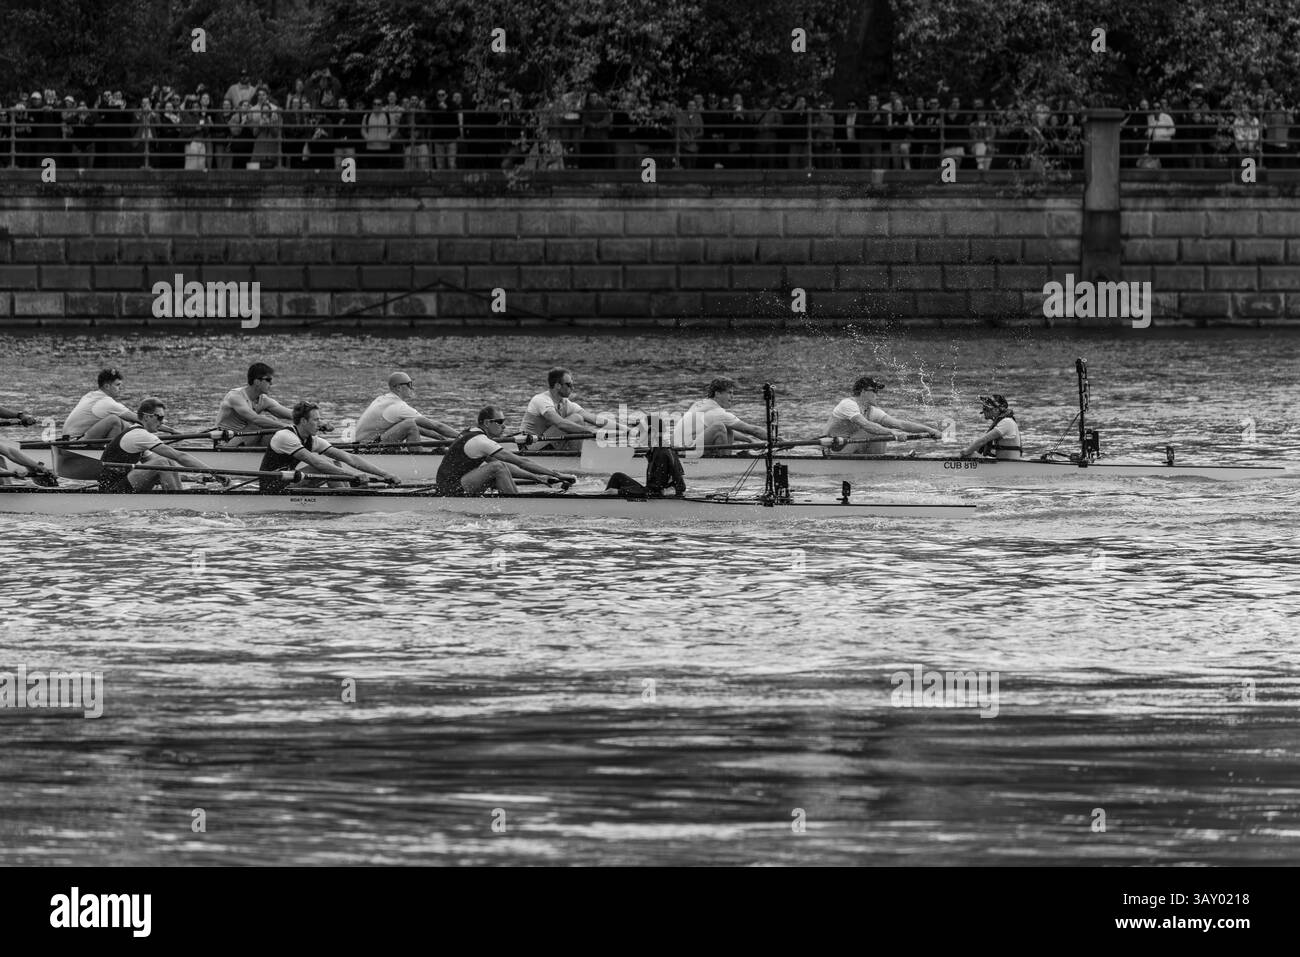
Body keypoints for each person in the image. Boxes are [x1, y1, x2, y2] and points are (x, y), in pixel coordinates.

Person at [258, 401, 399, 494]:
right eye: (316, 420)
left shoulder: (312, 440)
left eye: (320, 419)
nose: (320, 424)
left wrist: (384, 474)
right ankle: (348, 499)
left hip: (289, 481)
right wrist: (352, 475)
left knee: (336, 462)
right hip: (273, 489)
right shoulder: (285, 436)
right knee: (325, 465)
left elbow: (350, 458)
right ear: (303, 421)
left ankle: (351, 494)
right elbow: (316, 462)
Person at [436, 406, 577, 496]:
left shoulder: (472, 432)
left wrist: (538, 478)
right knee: (498, 467)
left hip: (453, 483)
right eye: (500, 422)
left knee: (498, 468)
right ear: (487, 423)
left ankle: (512, 498)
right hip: (450, 489)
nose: (504, 426)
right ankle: (516, 504)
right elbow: (521, 461)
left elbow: (509, 467)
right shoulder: (481, 441)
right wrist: (556, 474)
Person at [96, 398, 226, 493]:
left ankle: (180, 497)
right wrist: (214, 473)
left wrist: (191, 477)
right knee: (163, 461)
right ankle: (179, 502)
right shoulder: (139, 435)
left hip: (121, 484)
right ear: (146, 417)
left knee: (166, 461)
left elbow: (155, 465)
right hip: (111, 490)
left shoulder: (139, 435)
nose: (161, 422)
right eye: (159, 418)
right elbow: (180, 456)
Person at [825, 376, 943, 454]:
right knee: (874, 430)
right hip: (834, 450)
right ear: (863, 392)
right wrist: (891, 432)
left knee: (880, 430)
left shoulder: (871, 411)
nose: (877, 394)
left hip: (850, 448)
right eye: (874, 391)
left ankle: (877, 464)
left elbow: (901, 424)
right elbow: (866, 425)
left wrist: (929, 430)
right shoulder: (848, 404)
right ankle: (877, 464)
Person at [354, 372, 459, 444]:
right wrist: (462, 437)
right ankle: (418, 460)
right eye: (409, 384)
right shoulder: (398, 407)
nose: (412, 388)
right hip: (368, 449)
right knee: (410, 424)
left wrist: (442, 439)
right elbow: (436, 426)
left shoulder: (382, 399)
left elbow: (423, 429)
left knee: (409, 424)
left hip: (362, 445)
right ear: (399, 388)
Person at [520, 368, 611, 451]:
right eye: (569, 384)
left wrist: (622, 428)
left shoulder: (566, 403)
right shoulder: (541, 400)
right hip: (530, 446)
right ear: (558, 385)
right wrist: (590, 432)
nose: (573, 388)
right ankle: (575, 456)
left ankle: (576, 455)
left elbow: (595, 419)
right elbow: (561, 424)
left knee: (578, 418)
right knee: (576, 419)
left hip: (547, 444)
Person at [671, 377, 768, 454]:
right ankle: (724, 462)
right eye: (729, 393)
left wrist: (749, 440)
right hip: (684, 453)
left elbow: (736, 432)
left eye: (733, 393)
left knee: (727, 429)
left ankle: (724, 458)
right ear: (717, 394)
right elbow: (753, 430)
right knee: (719, 427)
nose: (732, 397)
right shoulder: (716, 412)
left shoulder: (700, 403)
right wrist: (776, 439)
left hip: (679, 449)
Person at [217, 363, 294, 446]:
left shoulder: (264, 400)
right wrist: (286, 426)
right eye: (268, 380)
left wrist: (306, 412)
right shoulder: (235, 397)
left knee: (273, 425)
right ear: (257, 382)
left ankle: (270, 454)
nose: (271, 383)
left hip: (245, 438)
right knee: (262, 423)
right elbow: (256, 419)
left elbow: (292, 414)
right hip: (225, 441)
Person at [63, 368, 146, 440]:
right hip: (76, 442)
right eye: (117, 385)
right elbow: (138, 419)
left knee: (123, 423)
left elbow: (128, 423)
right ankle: (111, 454)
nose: (120, 388)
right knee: (114, 420)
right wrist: (154, 424)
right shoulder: (106, 402)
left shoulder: (89, 395)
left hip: (68, 439)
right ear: (107, 386)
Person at [958, 394, 1022, 460]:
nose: (983, 411)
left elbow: (982, 441)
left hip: (1008, 465)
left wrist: (964, 452)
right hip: (1003, 463)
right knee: (970, 452)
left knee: (967, 455)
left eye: (985, 408)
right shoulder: (1003, 421)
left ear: (996, 410)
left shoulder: (1006, 422)